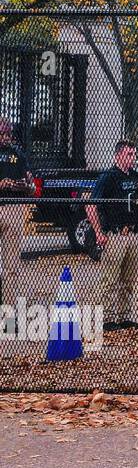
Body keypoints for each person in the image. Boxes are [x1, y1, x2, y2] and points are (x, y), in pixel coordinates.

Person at [86, 139, 138, 332]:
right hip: (116, 234)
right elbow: (91, 205)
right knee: (110, 278)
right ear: (118, 155)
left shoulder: (136, 178)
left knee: (129, 279)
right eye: (129, 154)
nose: (132, 158)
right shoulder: (109, 177)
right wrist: (98, 232)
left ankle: (125, 315)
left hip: (134, 234)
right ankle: (107, 317)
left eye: (134, 155)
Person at [0, 118, 34, 334]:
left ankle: (9, 317)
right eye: (1, 134)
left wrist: (24, 185)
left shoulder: (18, 155)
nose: (5, 138)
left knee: (12, 267)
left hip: (12, 208)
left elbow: (31, 184)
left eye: (7, 134)